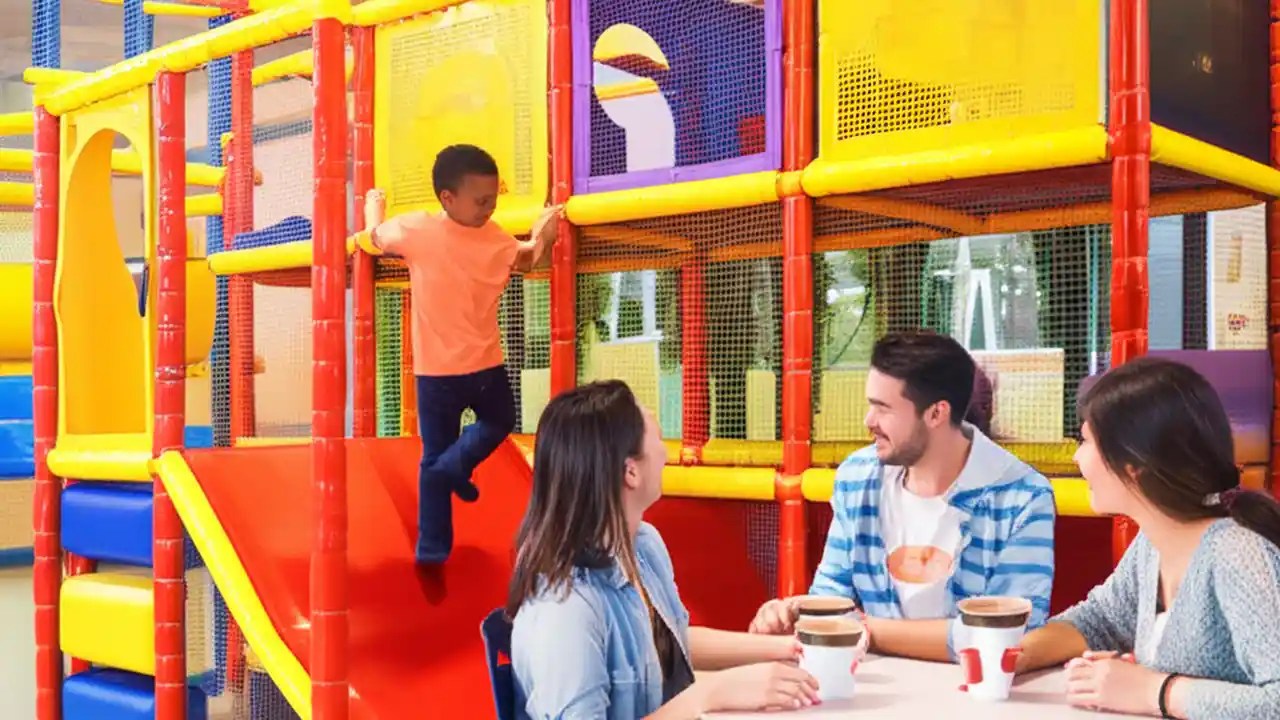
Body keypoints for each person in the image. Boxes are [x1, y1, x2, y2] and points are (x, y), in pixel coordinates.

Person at [508, 380, 821, 719]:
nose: (667, 453)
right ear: (631, 472)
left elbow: (673, 640)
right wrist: (710, 694)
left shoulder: (642, 545)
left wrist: (788, 648)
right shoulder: (566, 611)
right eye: (658, 439)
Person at [749, 331, 1057, 662]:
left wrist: (862, 629)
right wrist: (792, 614)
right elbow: (830, 597)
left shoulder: (1023, 497)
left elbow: (1009, 637)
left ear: (936, 413)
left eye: (883, 408)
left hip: (969, 687)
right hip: (872, 683)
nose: (869, 421)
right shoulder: (858, 478)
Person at [1015, 357, 1280, 719]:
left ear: (1134, 464)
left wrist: (1153, 691)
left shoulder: (1237, 552)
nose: (1076, 458)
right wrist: (1017, 654)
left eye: (1085, 440)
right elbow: (1102, 620)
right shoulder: (1152, 543)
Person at [362, 143, 561, 564]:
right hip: (443, 373)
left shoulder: (483, 235)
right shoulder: (419, 230)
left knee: (495, 424)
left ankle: (451, 473)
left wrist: (543, 232)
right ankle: (434, 544)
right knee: (448, 450)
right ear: (447, 198)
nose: (489, 208)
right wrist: (372, 208)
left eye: (493, 199)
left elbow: (525, 260)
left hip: (477, 365)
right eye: (481, 201)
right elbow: (375, 239)